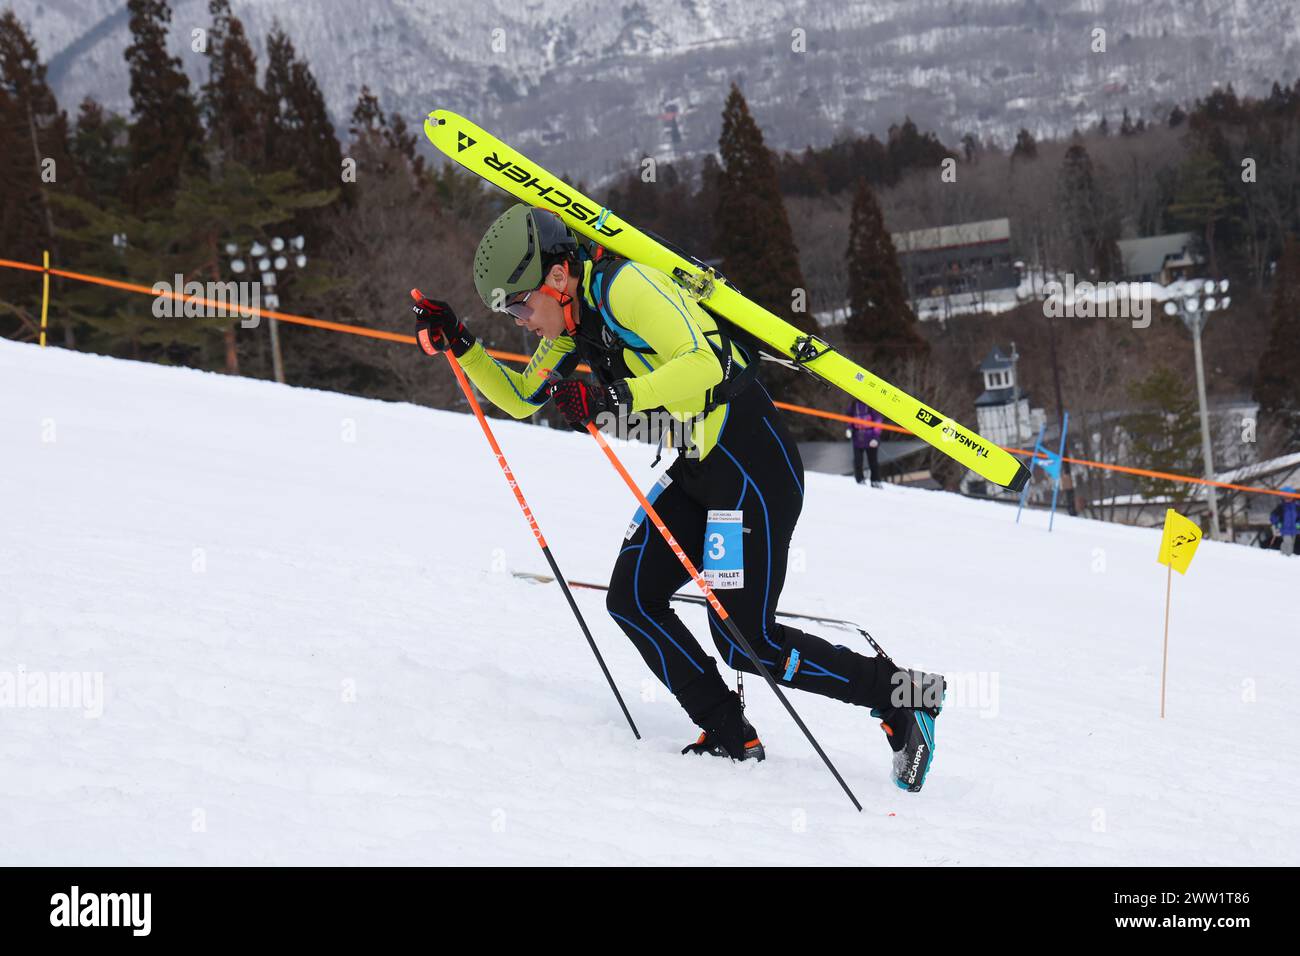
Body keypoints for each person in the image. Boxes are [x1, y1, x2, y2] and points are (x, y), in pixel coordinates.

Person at [411, 204, 943, 791]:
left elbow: (704, 364)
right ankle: (727, 731)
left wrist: (615, 395)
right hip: (697, 470)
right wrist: (461, 343)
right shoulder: (573, 324)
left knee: (748, 644)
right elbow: (518, 398)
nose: (518, 320)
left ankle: (904, 697)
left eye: (518, 304)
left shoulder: (626, 288)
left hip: (751, 474)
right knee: (632, 599)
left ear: (557, 279)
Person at [846, 398, 883, 487]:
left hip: (871, 438)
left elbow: (878, 421)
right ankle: (860, 480)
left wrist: (875, 437)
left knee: (873, 461)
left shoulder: (871, 405)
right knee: (858, 461)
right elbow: (849, 419)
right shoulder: (854, 405)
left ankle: (875, 480)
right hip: (858, 438)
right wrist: (849, 429)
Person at [1270, 487, 1299, 557]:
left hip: (1294, 529)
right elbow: (1273, 516)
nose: (1287, 499)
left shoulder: (1297, 506)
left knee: (1291, 543)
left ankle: (1285, 553)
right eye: (1286, 497)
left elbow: (1298, 517)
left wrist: (1298, 523)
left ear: (1293, 497)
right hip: (1284, 528)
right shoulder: (1281, 507)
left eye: (1289, 497)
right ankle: (1286, 555)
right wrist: (1276, 524)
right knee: (1288, 542)